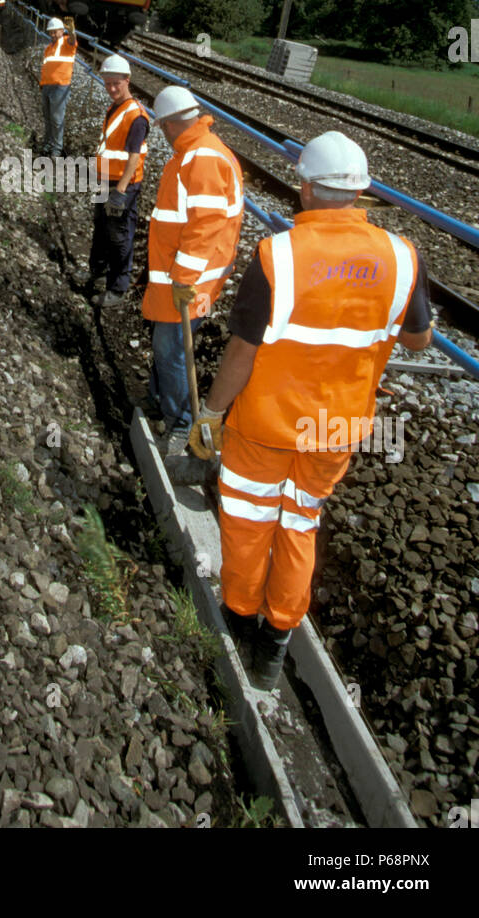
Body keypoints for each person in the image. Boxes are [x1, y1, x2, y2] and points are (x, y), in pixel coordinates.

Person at [188, 131, 433, 690]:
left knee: (250, 522)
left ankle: (238, 617)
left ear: (305, 188)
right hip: (337, 428)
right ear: (361, 194)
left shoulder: (278, 258)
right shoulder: (402, 257)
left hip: (267, 426)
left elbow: (242, 351)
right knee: (300, 525)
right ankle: (275, 645)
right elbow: (417, 341)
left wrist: (212, 413)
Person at [141, 86, 243, 456]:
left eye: (163, 127)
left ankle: (181, 422)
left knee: (171, 347)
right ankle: (160, 396)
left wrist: (183, 277)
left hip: (191, 278)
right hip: (183, 272)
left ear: (169, 124)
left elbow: (206, 224)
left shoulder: (201, 157)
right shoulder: (195, 151)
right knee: (165, 341)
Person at [77, 55, 149, 308]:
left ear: (127, 80)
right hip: (105, 179)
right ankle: (96, 271)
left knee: (119, 235)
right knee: (101, 228)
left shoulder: (136, 116)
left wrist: (119, 190)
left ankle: (117, 288)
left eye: (116, 84)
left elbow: (133, 157)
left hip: (121, 186)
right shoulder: (115, 107)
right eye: (107, 84)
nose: (111, 89)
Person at [38, 16, 77, 157]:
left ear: (62, 31)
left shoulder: (67, 43)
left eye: (56, 32)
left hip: (60, 87)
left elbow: (72, 40)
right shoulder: (49, 48)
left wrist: (72, 32)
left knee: (56, 119)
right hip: (47, 87)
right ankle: (48, 143)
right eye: (51, 32)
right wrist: (42, 84)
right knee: (48, 117)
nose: (53, 35)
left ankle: (56, 148)